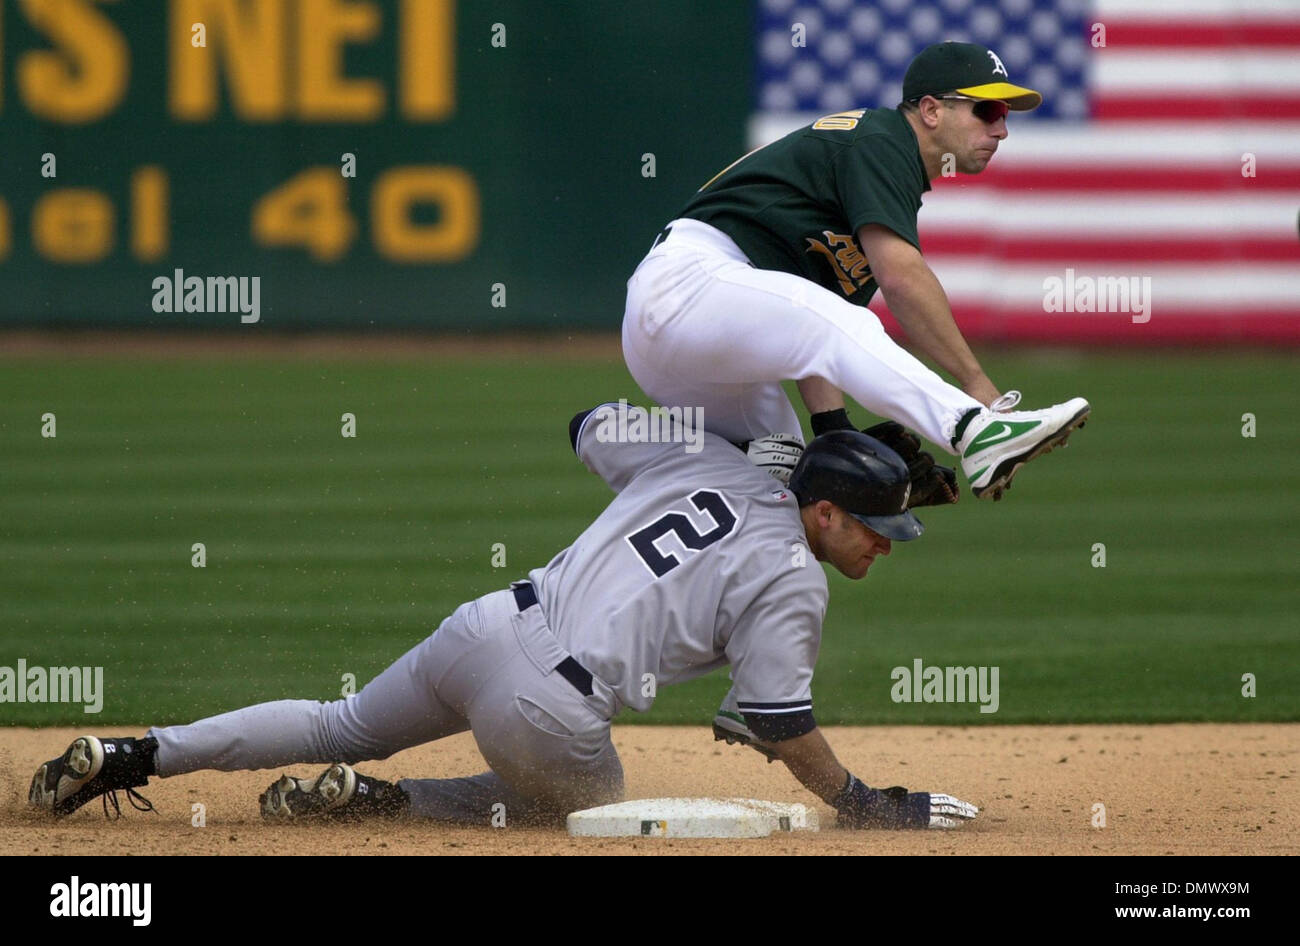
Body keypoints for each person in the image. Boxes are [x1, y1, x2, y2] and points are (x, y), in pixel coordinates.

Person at [29, 402, 976, 830]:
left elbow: (589, 426)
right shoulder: (796, 579)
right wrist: (859, 803)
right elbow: (774, 721)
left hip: (485, 627)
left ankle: (132, 751)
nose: (887, 543)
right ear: (822, 511)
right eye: (877, 526)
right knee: (585, 817)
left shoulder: (715, 463)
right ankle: (380, 802)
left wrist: (731, 439)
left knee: (339, 722)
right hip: (549, 710)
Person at [622, 41, 1089, 501]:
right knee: (845, 324)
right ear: (930, 110)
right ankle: (974, 430)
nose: (1001, 129)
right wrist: (978, 390)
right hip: (687, 284)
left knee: (789, 482)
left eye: (1005, 115)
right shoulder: (881, 140)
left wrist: (834, 432)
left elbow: (814, 337)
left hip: (685, 348)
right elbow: (900, 278)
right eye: (986, 111)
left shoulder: (879, 172)